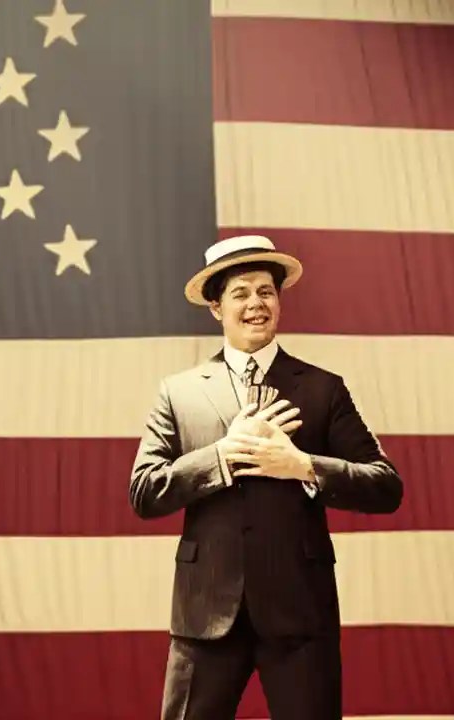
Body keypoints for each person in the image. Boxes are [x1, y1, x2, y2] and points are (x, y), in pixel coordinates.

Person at [129, 234, 404, 719]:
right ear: (216, 308)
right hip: (205, 615)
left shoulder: (323, 388)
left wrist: (302, 465)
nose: (256, 303)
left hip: (300, 614)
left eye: (266, 291)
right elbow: (145, 491)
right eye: (240, 293)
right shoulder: (179, 393)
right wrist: (223, 455)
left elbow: (385, 486)